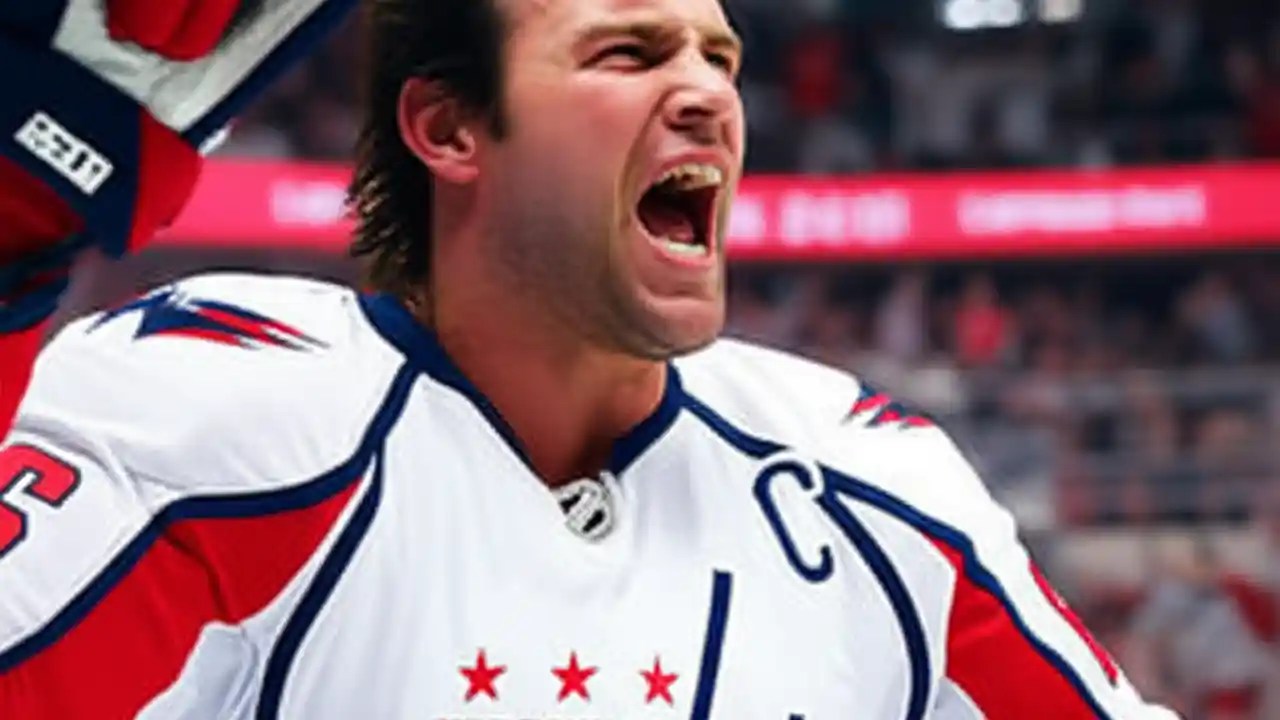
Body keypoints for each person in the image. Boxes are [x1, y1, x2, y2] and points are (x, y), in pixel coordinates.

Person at [0, 0, 1177, 717]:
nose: (707, 94)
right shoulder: (216, 419)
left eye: (718, 56)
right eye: (628, 53)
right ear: (448, 128)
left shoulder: (874, 487)